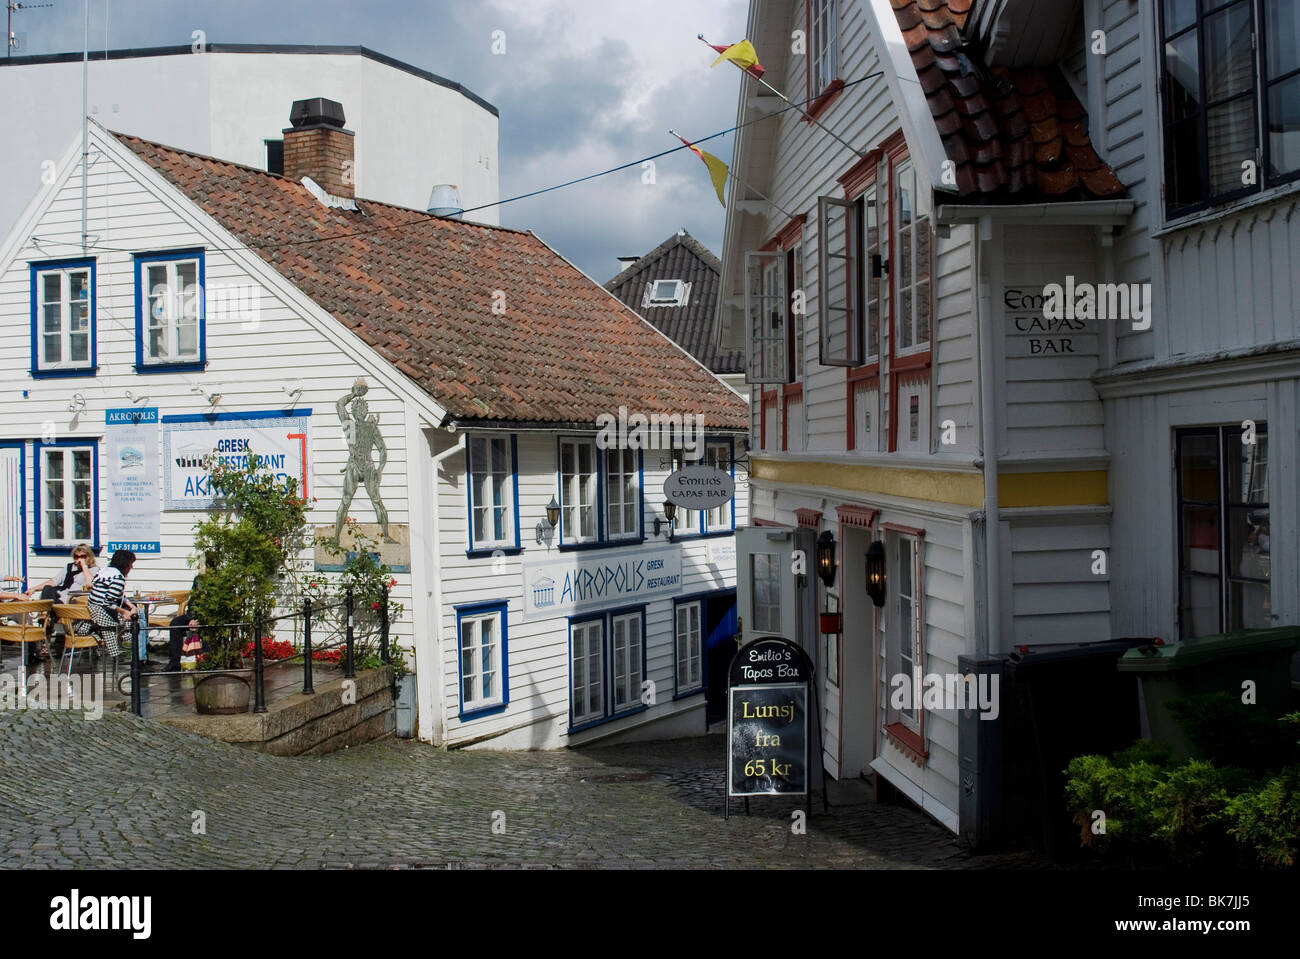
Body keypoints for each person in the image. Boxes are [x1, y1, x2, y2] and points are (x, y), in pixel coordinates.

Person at [27, 544, 98, 663]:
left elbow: (90, 583)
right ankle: (46, 615)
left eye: (83, 556)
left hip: (73, 603)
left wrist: (84, 566)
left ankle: (45, 640)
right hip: (60, 599)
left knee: (49, 614)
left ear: (89, 556)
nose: (79, 559)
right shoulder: (69, 567)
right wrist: (33, 589)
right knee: (48, 588)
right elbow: (54, 581)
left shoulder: (94, 570)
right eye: (76, 556)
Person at [74, 549, 137, 660]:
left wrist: (130, 605)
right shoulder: (118, 578)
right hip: (101, 612)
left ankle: (119, 650)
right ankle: (130, 652)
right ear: (126, 564)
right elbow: (108, 602)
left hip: (91, 609)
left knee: (120, 622)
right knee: (130, 622)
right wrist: (124, 611)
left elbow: (116, 595)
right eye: (131, 563)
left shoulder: (104, 572)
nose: (132, 567)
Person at [166, 553, 216, 673]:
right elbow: (193, 602)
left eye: (202, 564)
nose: (199, 567)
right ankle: (174, 662)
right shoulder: (198, 580)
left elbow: (212, 606)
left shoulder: (218, 581)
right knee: (175, 623)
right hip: (194, 615)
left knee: (208, 627)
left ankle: (207, 660)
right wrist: (191, 618)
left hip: (209, 617)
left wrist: (199, 619)